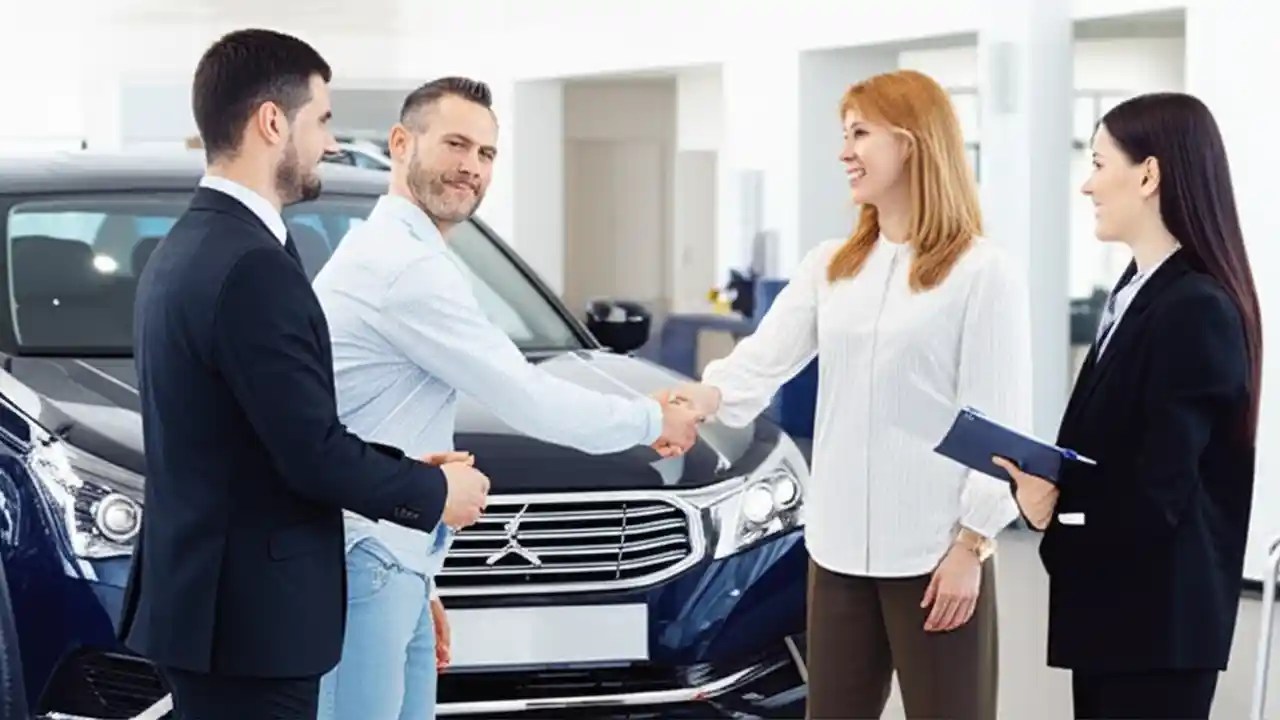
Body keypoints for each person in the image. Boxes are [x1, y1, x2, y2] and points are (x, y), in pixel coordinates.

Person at [119, 30, 490, 720]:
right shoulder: (252, 265)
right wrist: (434, 490)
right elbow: (310, 454)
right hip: (253, 624)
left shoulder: (188, 246)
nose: (330, 142)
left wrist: (401, 465)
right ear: (271, 122)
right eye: (321, 119)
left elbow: (260, 435)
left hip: (211, 608)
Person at [311, 76, 704, 720]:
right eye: (456, 144)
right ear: (402, 143)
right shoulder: (404, 268)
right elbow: (526, 397)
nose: (471, 167)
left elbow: (399, 421)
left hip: (394, 558)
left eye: (487, 154)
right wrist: (651, 417)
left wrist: (422, 579)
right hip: (366, 561)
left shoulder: (398, 252)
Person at [672, 68, 1030, 719]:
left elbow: (998, 424)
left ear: (913, 141)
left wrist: (971, 544)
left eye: (859, 133)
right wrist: (702, 398)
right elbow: (761, 361)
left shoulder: (983, 273)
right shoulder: (831, 266)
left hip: (935, 553)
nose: (844, 152)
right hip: (837, 552)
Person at [996, 92, 1262, 720]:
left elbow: (1155, 497)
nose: (1087, 186)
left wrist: (1056, 516)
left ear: (1148, 174)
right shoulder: (1137, 295)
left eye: (1096, 163)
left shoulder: (1193, 307)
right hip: (1122, 623)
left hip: (1155, 634)